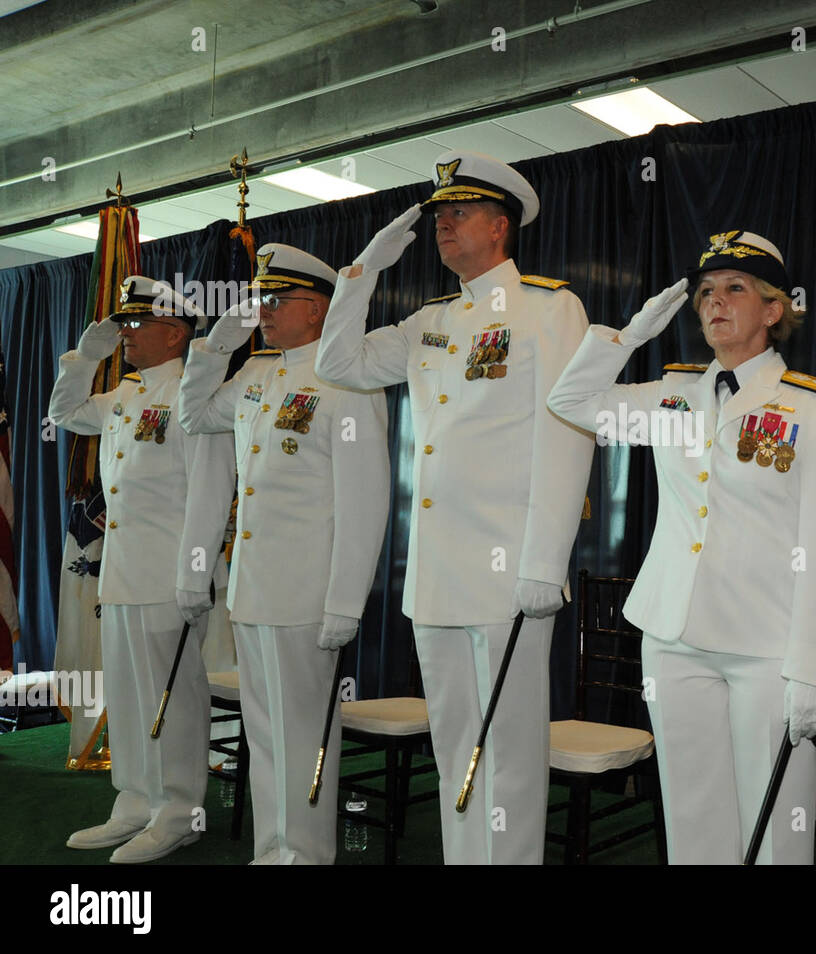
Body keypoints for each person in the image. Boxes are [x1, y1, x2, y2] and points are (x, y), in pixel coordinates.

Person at [315, 151, 593, 865]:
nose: (443, 224)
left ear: (500, 227)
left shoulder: (549, 308)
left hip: (510, 574)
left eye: (458, 212)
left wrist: (544, 562)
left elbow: (567, 434)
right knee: (456, 750)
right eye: (440, 214)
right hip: (436, 577)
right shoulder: (427, 321)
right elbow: (337, 365)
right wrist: (362, 275)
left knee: (511, 749)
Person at [548, 231, 816, 863]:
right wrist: (627, 337)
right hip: (673, 634)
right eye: (706, 292)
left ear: (774, 309)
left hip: (767, 646)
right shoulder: (672, 395)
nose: (715, 302)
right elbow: (571, 401)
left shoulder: (813, 407)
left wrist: (815, 672)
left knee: (774, 822)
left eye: (735, 289)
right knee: (691, 808)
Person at [176, 245, 390, 864]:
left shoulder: (346, 378)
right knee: (265, 737)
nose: (263, 311)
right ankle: (274, 850)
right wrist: (215, 348)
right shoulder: (255, 374)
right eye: (262, 299)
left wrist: (346, 600)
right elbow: (194, 417)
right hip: (253, 590)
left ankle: (304, 855)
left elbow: (365, 498)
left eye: (278, 300)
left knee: (302, 736)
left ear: (319, 310)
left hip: (306, 593)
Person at [49, 276, 234, 863]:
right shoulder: (126, 395)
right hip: (123, 575)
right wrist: (87, 354)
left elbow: (210, 493)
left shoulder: (193, 395)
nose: (125, 334)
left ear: (176, 333)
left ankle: (180, 813)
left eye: (136, 325)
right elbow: (66, 412)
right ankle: (133, 802)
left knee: (172, 700)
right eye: (123, 324)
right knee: (129, 697)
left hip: (171, 578)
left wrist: (195, 574)